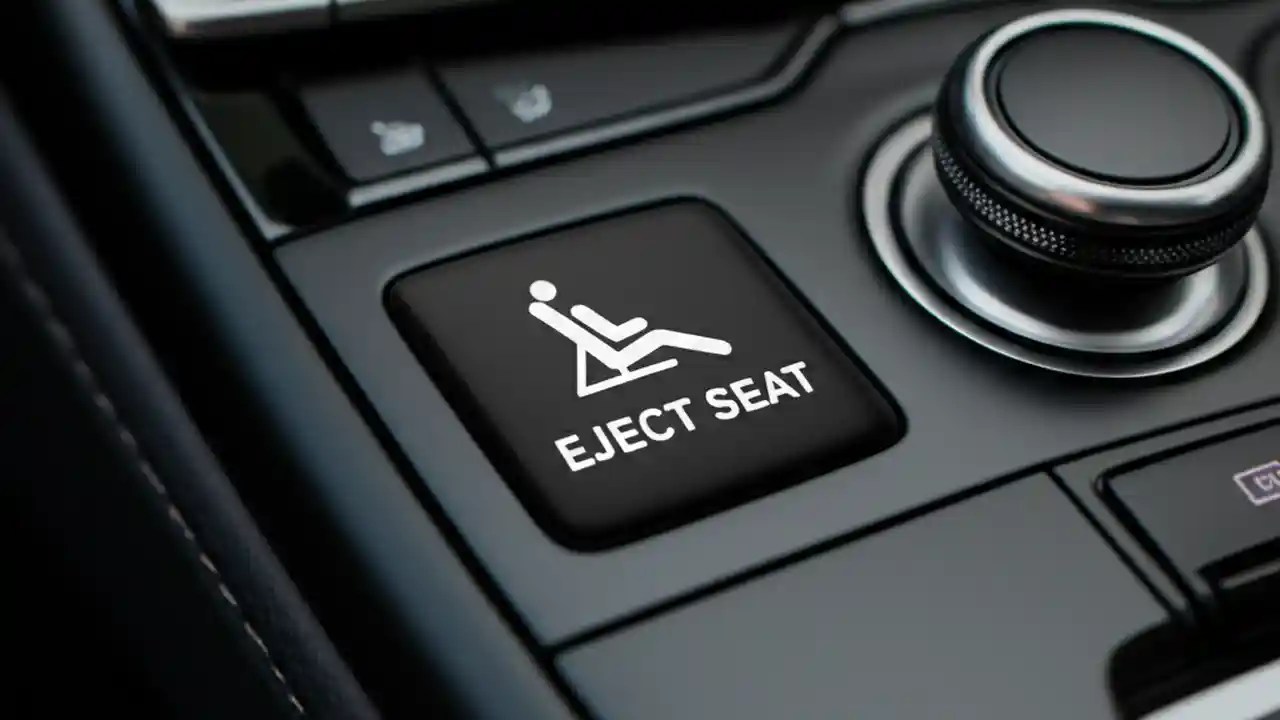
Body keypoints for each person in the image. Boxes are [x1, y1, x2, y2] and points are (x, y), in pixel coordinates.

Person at [528, 280, 731, 372]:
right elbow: (612, 340)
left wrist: (634, 326)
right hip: (614, 358)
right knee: (659, 335)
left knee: (658, 335)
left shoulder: (571, 311)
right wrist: (636, 327)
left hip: (611, 351)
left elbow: (613, 334)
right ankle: (720, 349)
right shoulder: (553, 314)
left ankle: (722, 350)